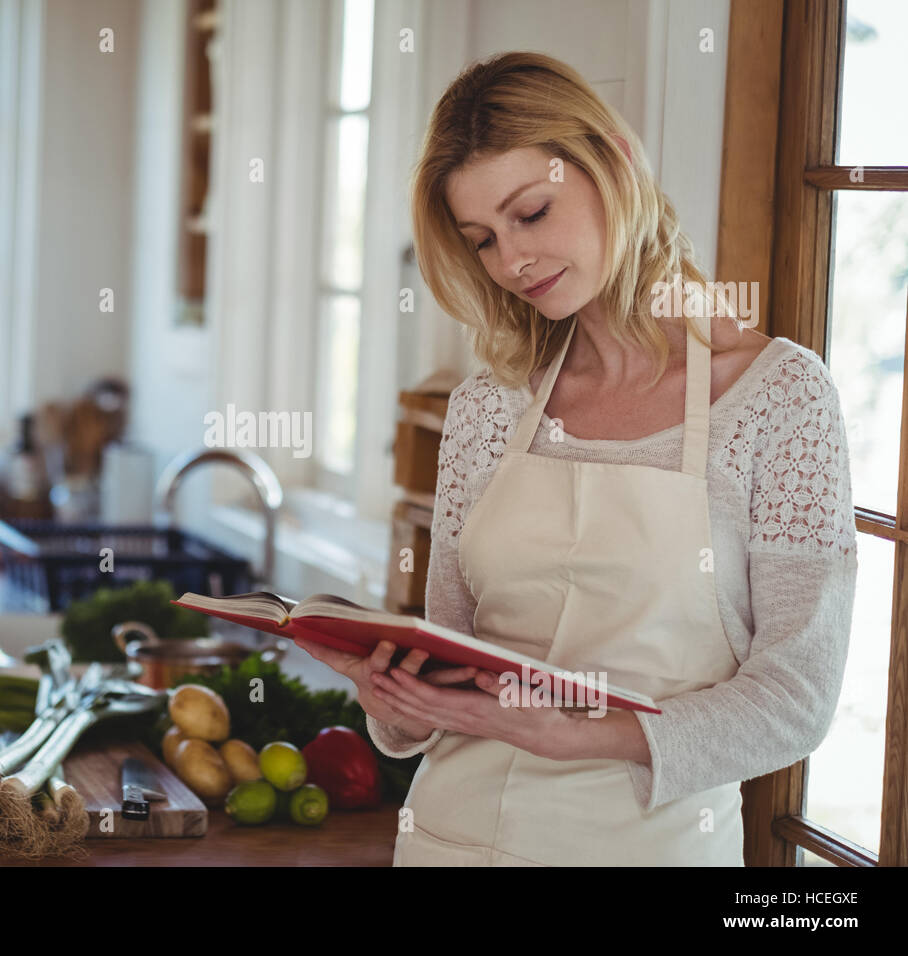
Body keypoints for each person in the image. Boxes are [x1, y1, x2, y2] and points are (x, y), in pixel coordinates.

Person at [291, 51, 857, 866]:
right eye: (481, 239)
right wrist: (398, 701)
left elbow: (794, 700)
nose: (511, 261)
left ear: (615, 163)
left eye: (533, 213)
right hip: (448, 837)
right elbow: (450, 647)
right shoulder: (489, 407)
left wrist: (571, 734)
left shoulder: (779, 399)